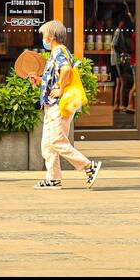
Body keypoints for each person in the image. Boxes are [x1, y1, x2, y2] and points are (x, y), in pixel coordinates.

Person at [28, 19, 101, 189]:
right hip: (51, 104)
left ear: (51, 36)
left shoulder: (59, 51)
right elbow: (56, 76)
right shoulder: (57, 52)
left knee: (56, 141)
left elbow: (66, 70)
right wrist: (40, 80)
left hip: (58, 104)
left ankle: (89, 166)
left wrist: (60, 88)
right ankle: (53, 179)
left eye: (44, 35)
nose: (43, 38)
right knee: (48, 143)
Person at [112, 16, 135, 113]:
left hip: (115, 60)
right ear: (121, 22)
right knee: (123, 82)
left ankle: (116, 104)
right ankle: (120, 104)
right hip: (117, 60)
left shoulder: (118, 31)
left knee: (118, 83)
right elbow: (114, 44)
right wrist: (123, 51)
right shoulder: (118, 32)